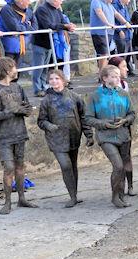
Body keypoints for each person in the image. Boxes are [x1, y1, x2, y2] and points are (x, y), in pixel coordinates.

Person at [0, 57, 37, 214]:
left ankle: (22, 198)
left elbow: (27, 107)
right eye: (14, 67)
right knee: (9, 167)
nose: (16, 70)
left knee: (20, 167)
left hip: (19, 133)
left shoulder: (17, 87)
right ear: (7, 71)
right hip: (3, 136)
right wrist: (11, 111)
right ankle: (7, 202)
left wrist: (24, 110)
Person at [37, 69, 94, 208]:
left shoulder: (74, 97)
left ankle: (74, 194)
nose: (54, 81)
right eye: (51, 79)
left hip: (73, 136)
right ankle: (72, 197)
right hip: (56, 138)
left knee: (73, 166)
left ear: (63, 80)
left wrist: (89, 135)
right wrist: (49, 126)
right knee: (66, 165)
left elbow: (83, 117)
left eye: (57, 78)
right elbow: (41, 121)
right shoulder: (46, 100)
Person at [85, 65, 135, 208]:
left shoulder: (123, 94)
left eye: (118, 76)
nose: (117, 79)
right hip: (105, 136)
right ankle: (114, 196)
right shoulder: (95, 96)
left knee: (124, 166)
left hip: (123, 134)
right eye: (113, 76)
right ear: (105, 78)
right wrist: (103, 123)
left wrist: (125, 120)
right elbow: (88, 118)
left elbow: (132, 113)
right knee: (118, 166)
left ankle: (121, 195)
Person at [33, 0, 76, 97]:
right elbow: (48, 25)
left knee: (45, 68)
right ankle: (37, 89)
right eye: (60, 0)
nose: (61, 2)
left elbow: (63, 22)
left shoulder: (57, 10)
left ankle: (44, 87)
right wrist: (65, 26)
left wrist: (69, 26)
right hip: (40, 42)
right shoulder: (42, 9)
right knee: (38, 68)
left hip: (50, 43)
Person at [90, 0, 131, 69]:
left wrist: (125, 22)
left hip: (108, 33)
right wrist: (108, 24)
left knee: (107, 55)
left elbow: (116, 14)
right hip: (100, 33)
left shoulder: (109, 5)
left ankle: (103, 74)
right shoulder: (96, 1)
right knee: (103, 54)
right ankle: (101, 76)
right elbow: (99, 12)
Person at [0, 0, 36, 64]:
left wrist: (24, 26)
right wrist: (27, 25)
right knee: (8, 71)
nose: (29, 3)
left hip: (22, 47)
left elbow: (35, 25)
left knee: (19, 71)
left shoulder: (28, 10)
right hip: (8, 48)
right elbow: (14, 27)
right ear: (21, 1)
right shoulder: (6, 9)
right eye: (28, 0)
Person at [113, 0, 136, 77]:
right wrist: (119, 31)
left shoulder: (124, 6)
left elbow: (128, 20)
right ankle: (120, 73)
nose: (129, 1)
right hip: (120, 35)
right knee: (122, 54)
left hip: (128, 34)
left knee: (129, 53)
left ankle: (129, 70)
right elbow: (113, 21)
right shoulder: (115, 5)